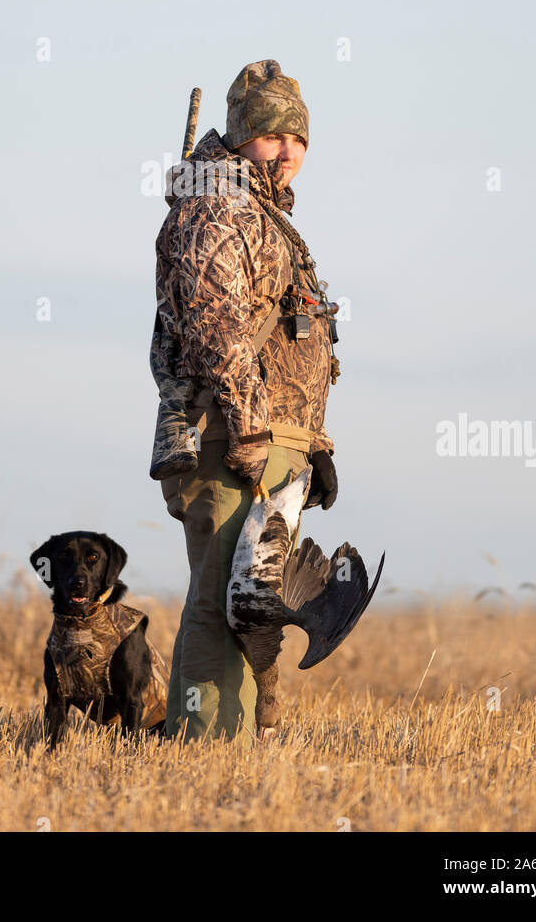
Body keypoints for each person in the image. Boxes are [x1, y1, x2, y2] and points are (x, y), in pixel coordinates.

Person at [151, 58, 340, 745]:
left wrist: (308, 445)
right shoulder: (216, 208)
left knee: (252, 605)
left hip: (268, 438)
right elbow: (214, 323)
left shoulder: (259, 214)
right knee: (219, 602)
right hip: (229, 436)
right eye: (271, 137)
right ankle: (200, 751)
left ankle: (232, 754)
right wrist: (253, 428)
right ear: (239, 138)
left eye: (299, 140)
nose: (287, 152)